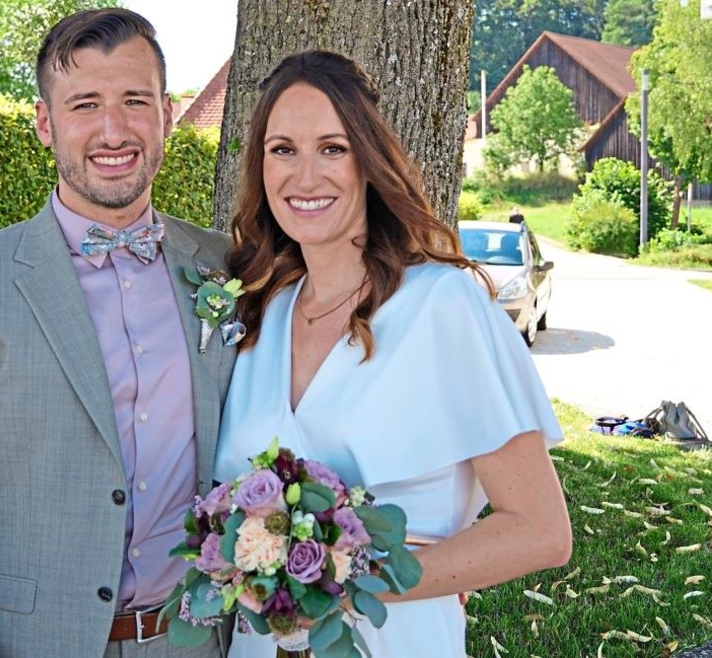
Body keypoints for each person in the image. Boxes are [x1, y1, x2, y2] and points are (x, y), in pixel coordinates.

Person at [0, 8, 234, 658]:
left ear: (168, 115)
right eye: (84, 104)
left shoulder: (230, 267)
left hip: (201, 643)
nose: (113, 129)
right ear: (46, 123)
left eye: (134, 101)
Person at [214, 50, 572, 657]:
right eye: (283, 149)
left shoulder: (442, 304)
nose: (305, 177)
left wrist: (343, 580)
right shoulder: (261, 312)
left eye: (332, 147)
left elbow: (540, 532)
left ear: (368, 161)